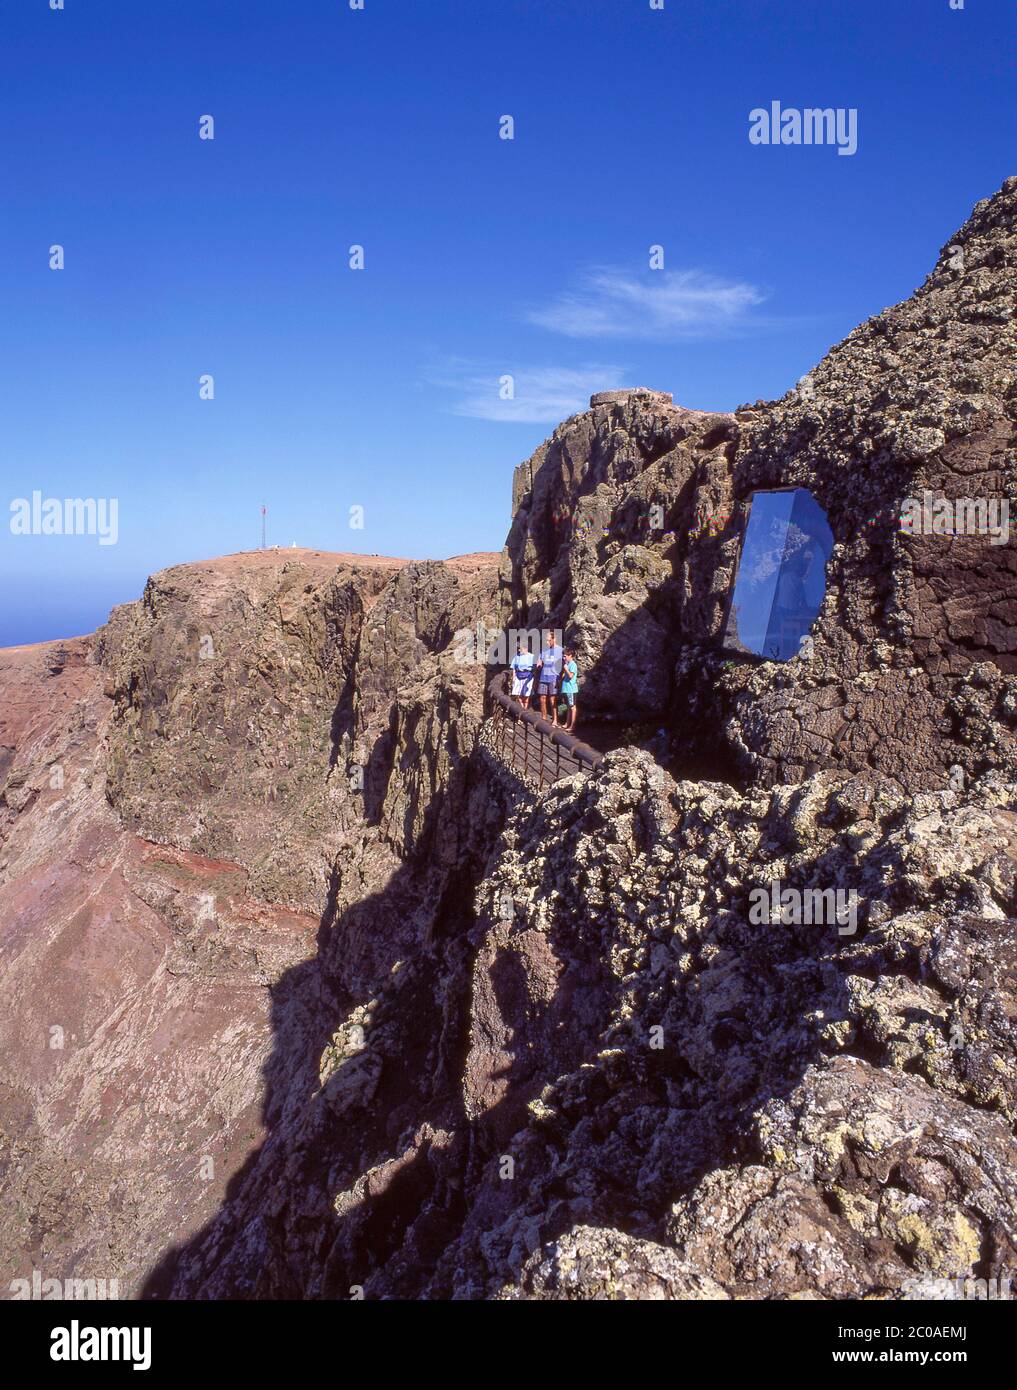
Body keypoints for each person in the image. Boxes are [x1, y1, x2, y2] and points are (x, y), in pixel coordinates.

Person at [534, 629, 563, 726]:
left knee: (552, 699)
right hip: (543, 677)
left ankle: (555, 719)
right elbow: (540, 660)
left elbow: (566, 662)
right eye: (546, 640)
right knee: (542, 698)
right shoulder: (544, 650)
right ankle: (544, 717)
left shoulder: (560, 650)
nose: (547, 642)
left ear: (554, 639)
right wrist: (538, 663)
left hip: (553, 677)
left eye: (548, 640)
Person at [510, 636, 535, 709]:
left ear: (525, 648)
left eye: (520, 648)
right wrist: (514, 678)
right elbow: (514, 668)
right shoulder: (516, 657)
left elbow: (535, 668)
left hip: (528, 676)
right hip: (519, 675)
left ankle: (525, 708)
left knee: (526, 694)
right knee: (518, 694)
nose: (519, 650)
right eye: (519, 648)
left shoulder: (531, 656)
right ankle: (522, 708)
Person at [560, 647, 579, 732]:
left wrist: (566, 669)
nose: (564, 658)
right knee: (568, 706)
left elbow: (571, 676)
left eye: (565, 656)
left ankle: (572, 725)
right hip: (566, 688)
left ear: (570, 655)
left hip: (571, 689)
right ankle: (567, 723)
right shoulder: (567, 664)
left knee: (572, 707)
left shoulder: (573, 665)